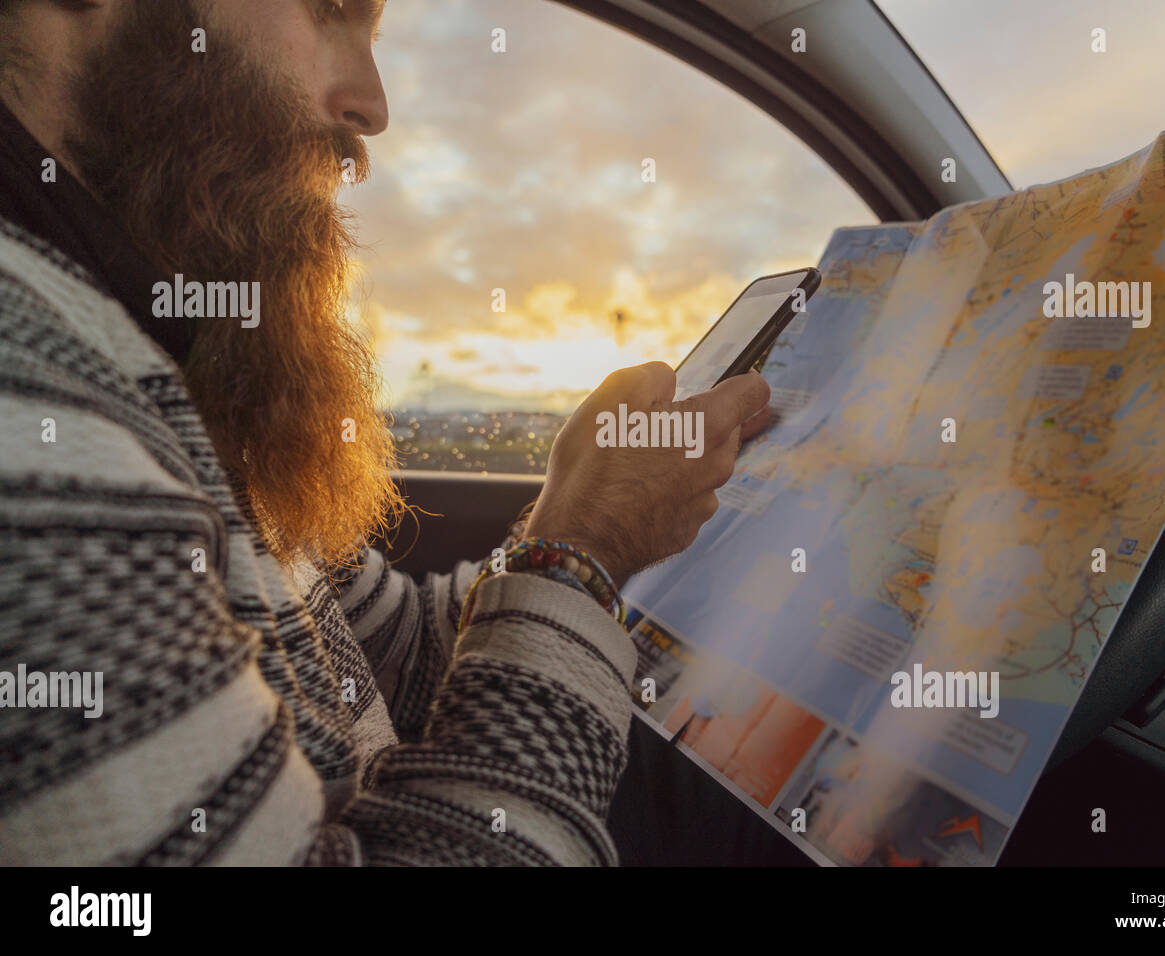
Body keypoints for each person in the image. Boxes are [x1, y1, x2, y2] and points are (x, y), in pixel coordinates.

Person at [0, 0, 771, 865]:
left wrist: (584, 521)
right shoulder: (30, 396)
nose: (373, 106)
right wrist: (580, 548)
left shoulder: (159, 356)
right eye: (331, 11)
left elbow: (403, 654)